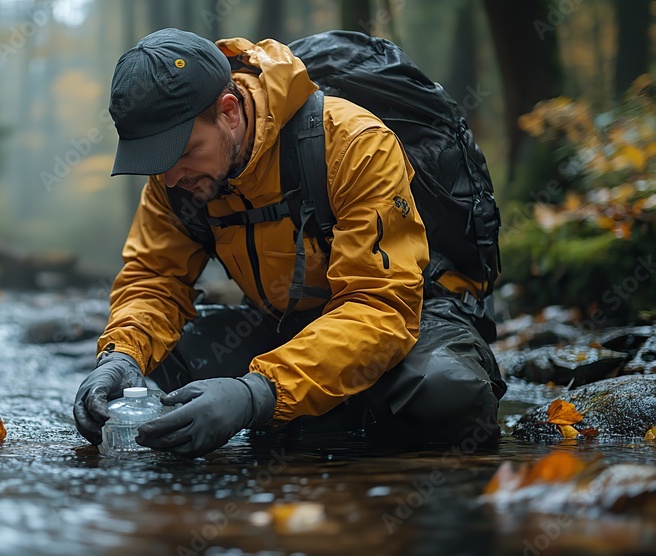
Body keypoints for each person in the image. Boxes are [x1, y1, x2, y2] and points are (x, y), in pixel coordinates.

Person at [73, 28, 506, 458]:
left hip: (408, 318)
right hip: (283, 327)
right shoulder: (175, 177)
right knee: (160, 367)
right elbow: (155, 278)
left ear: (228, 111)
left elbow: (380, 308)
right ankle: (326, 416)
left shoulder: (353, 142)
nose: (169, 177)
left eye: (183, 152)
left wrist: (257, 393)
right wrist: (121, 357)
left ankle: (336, 416)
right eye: (155, 160)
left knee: (447, 394)